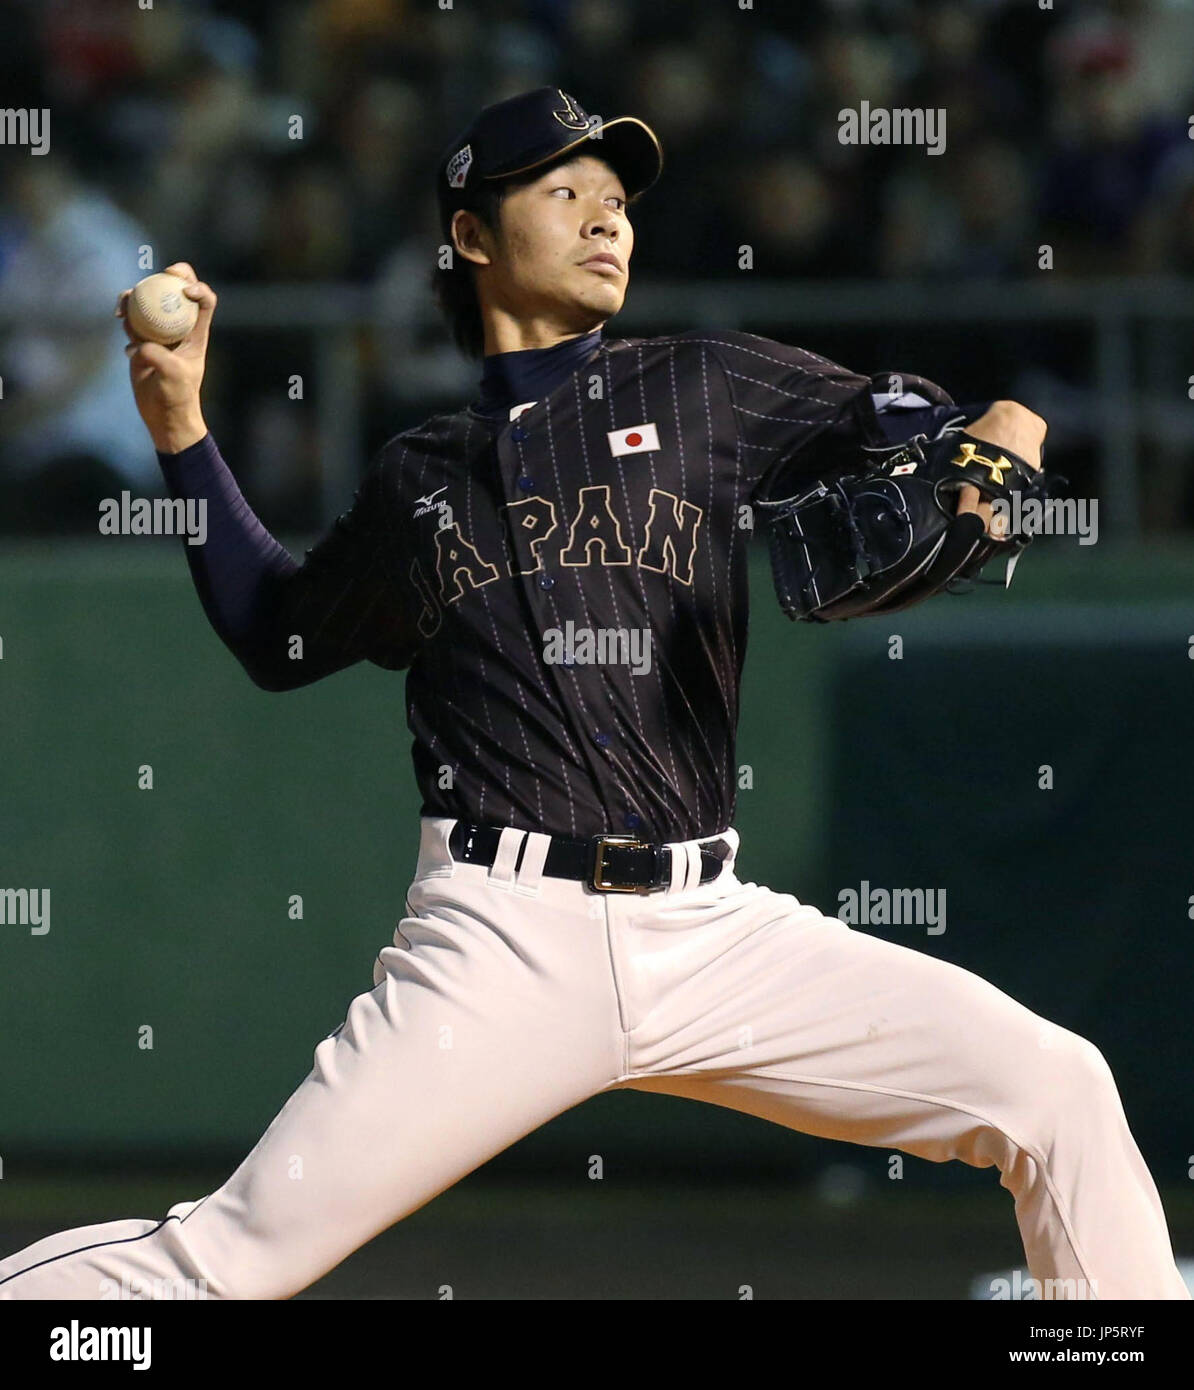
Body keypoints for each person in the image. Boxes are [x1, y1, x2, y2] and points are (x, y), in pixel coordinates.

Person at [1, 87, 1186, 1301]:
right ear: (471, 235)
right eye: (564, 193)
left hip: (713, 928)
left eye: (616, 200)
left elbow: (922, 427)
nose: (605, 219)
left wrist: (1008, 427)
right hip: (499, 939)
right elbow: (277, 632)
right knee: (225, 1261)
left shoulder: (707, 384)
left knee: (1058, 1093)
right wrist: (184, 428)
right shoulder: (421, 476)